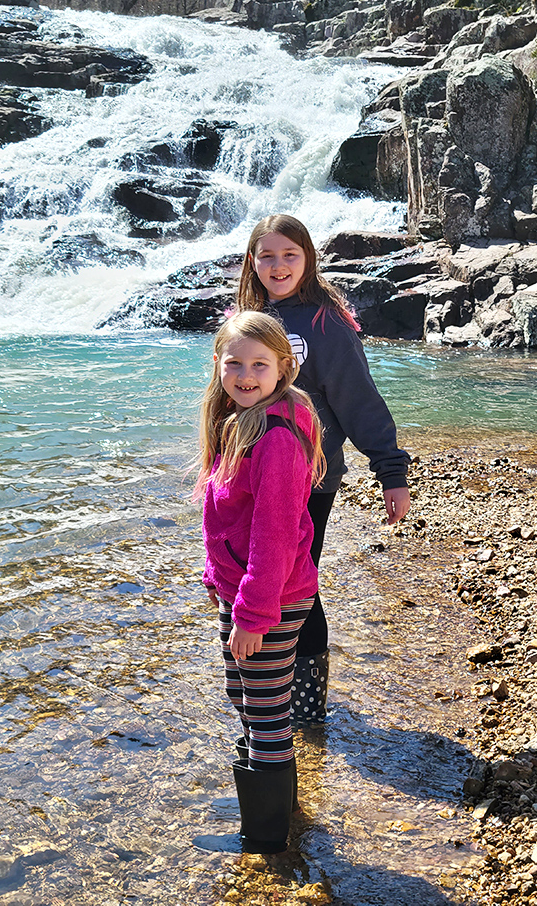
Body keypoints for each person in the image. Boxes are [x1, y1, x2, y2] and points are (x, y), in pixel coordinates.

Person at [235, 214, 411, 724]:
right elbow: (224, 400)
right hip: (248, 474)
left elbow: (358, 401)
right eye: (267, 255)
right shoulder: (247, 315)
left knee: (294, 581)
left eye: (290, 254)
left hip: (308, 476)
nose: (278, 265)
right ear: (253, 261)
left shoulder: (325, 323)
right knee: (253, 572)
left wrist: (391, 471)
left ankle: (307, 707)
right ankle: (268, 688)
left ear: (308, 258)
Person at [195, 311, 325, 853]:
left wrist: (250, 616)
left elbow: (273, 536)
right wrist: (216, 579)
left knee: (266, 711)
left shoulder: (275, 439)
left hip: (269, 597)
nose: (245, 375)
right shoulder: (244, 418)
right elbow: (231, 521)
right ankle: (277, 803)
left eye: (259, 365)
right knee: (248, 698)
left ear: (283, 369)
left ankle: (266, 840)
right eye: (234, 363)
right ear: (219, 366)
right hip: (249, 590)